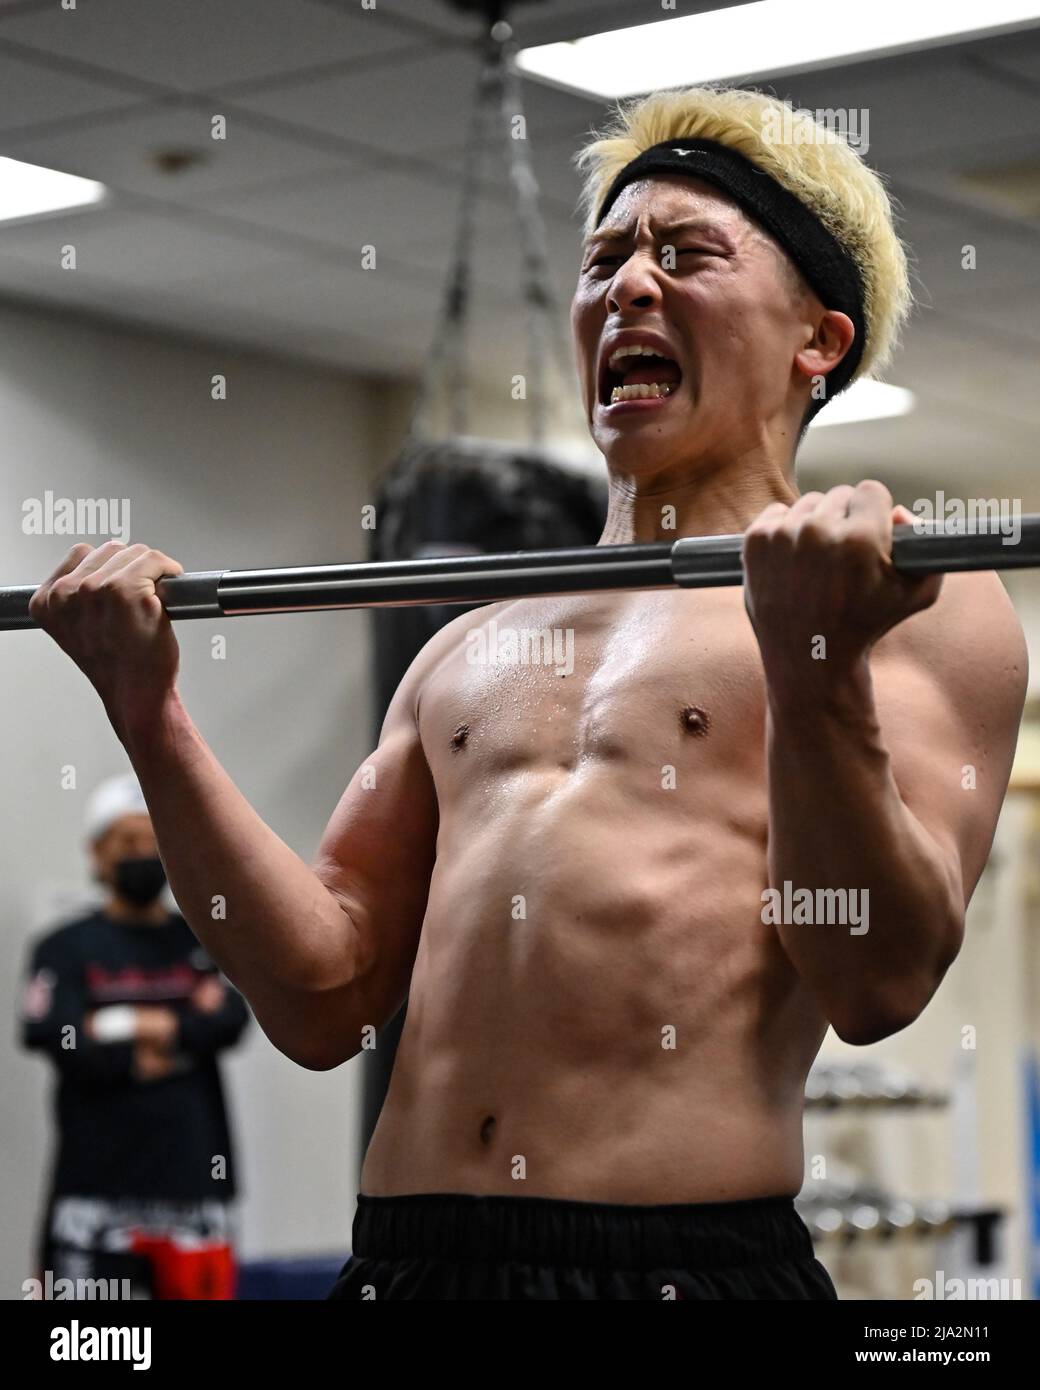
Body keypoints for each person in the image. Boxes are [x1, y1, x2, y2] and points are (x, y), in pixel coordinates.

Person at [26, 86, 1027, 1300]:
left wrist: (812, 667)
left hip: (674, 1267)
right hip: (408, 1266)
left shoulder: (909, 589)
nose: (626, 289)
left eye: (682, 253)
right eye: (603, 259)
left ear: (818, 339)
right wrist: (150, 716)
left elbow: (874, 983)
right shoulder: (471, 644)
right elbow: (322, 998)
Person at [20, 774, 250, 1299]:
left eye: (152, 843)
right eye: (126, 843)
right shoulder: (64, 948)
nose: (141, 855)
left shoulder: (200, 940)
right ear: (97, 854)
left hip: (195, 1192)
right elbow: (57, 1037)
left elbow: (231, 1022)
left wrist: (116, 1025)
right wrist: (173, 1033)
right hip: (92, 1194)